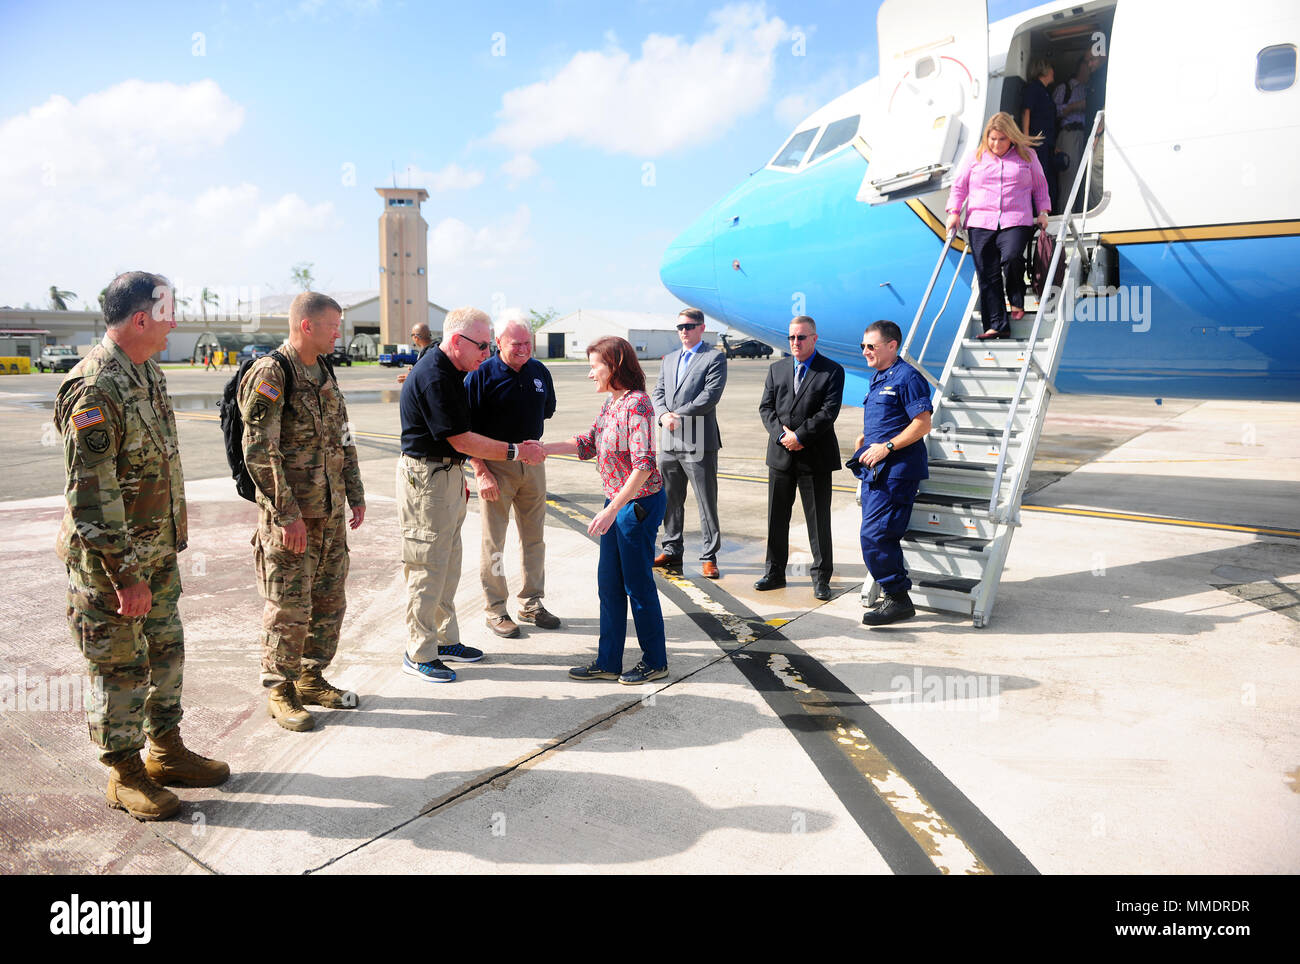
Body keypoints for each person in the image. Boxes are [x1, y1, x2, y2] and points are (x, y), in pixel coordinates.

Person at [55, 271, 228, 822]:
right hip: (113, 567)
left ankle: (166, 752)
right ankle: (125, 774)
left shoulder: (146, 373)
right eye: (169, 311)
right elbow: (91, 495)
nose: (176, 321)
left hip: (154, 555)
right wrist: (124, 574)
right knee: (119, 668)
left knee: (166, 655)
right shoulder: (96, 387)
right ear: (140, 319)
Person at [240, 292, 366, 732]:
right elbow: (259, 448)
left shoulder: (325, 370)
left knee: (329, 600)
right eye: (333, 325)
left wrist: (356, 492)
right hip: (293, 517)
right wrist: (287, 514)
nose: (339, 332)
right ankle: (280, 688)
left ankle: (310, 677)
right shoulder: (274, 372)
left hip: (330, 512)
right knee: (288, 605)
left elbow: (342, 435)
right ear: (307, 325)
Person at [397, 307, 544, 683]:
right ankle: (419, 652)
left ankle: (444, 640)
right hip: (426, 478)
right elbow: (461, 438)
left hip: (446, 474)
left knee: (447, 563)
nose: (487, 353)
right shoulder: (434, 377)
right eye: (482, 345)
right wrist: (514, 452)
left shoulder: (454, 370)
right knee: (427, 565)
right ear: (457, 341)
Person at [544, 337, 667, 685]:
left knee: (637, 584)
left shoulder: (638, 404)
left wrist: (613, 509)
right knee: (609, 584)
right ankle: (608, 660)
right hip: (616, 504)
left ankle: (655, 661)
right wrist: (542, 448)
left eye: (594, 365)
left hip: (637, 505)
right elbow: (588, 443)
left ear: (613, 366)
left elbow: (643, 464)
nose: (589, 374)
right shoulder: (613, 404)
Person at [464, 309, 561, 638]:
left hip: (533, 464)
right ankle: (495, 608)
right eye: (516, 343)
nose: (523, 348)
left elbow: (546, 410)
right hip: (495, 466)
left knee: (535, 539)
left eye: (528, 342)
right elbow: (465, 430)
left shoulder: (539, 372)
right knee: (494, 542)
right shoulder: (481, 375)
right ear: (498, 343)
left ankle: (531, 602)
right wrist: (480, 471)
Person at [755, 316, 845, 601]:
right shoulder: (777, 368)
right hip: (780, 457)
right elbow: (766, 407)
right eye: (792, 337)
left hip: (814, 458)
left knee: (818, 522)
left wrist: (800, 437)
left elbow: (828, 412)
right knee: (776, 519)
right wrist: (781, 436)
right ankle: (774, 572)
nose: (795, 342)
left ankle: (821, 578)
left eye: (801, 337)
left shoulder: (831, 371)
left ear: (814, 339)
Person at [851, 321, 933, 626]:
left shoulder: (908, 377)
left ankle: (898, 598)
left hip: (896, 471)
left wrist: (886, 446)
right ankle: (894, 594)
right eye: (863, 346)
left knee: (876, 535)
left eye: (871, 346)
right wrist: (866, 439)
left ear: (892, 346)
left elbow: (922, 424)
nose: (865, 351)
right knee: (874, 536)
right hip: (876, 471)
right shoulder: (878, 378)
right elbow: (889, 418)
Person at [946, 112, 1051, 340]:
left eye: (1001, 139)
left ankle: (1016, 300)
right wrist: (954, 213)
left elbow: (1040, 187)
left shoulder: (1027, 156)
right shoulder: (975, 158)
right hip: (980, 222)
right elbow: (959, 188)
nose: (996, 144)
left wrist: (1043, 212)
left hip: (1016, 219)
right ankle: (997, 325)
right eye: (992, 138)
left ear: (1011, 137)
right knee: (987, 273)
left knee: (1012, 257)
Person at [651, 307, 727, 579]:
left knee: (706, 501)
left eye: (689, 326)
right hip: (669, 441)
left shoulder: (714, 357)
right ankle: (672, 549)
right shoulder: (669, 359)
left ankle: (709, 556)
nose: (684, 331)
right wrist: (662, 415)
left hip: (699, 441)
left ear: (701, 327)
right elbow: (658, 391)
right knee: (671, 500)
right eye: (680, 327)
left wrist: (677, 416)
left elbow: (710, 395)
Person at [1020, 58, 1060, 214]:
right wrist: (1025, 138)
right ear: (1044, 70)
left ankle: (1047, 212)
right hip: (1036, 143)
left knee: (1050, 181)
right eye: (1050, 67)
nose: (1053, 71)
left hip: (1047, 143)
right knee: (1039, 180)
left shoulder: (1046, 92)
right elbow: (1026, 111)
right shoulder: (1033, 88)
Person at [1054, 54, 1094, 210]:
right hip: (1069, 134)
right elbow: (1054, 112)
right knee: (1069, 180)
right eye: (1088, 63)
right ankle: (1064, 220)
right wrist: (1073, 107)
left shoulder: (1089, 89)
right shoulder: (1064, 88)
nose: (1091, 66)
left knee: (1086, 179)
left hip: (1087, 135)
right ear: (1081, 66)